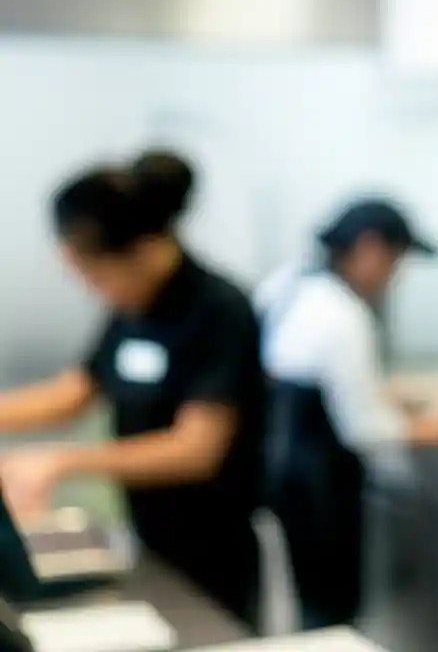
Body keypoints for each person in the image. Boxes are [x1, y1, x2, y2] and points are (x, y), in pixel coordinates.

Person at [0, 151, 265, 627]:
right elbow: (75, 393)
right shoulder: (132, 305)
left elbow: (195, 449)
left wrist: (62, 460)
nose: (93, 289)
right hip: (146, 534)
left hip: (211, 546)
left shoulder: (220, 311)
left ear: (145, 250)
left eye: (96, 275)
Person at [256, 198, 438, 630]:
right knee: (331, 611)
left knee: (295, 599)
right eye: (396, 261)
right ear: (370, 248)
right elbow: (365, 428)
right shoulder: (342, 314)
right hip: (322, 487)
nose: (397, 276)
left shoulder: (287, 285)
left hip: (279, 472)